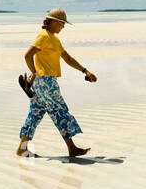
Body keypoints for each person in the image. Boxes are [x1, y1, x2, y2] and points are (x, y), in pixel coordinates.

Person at [17, 8, 98, 158]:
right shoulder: (44, 36)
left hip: (41, 83)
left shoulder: (54, 39)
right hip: (46, 82)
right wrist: (35, 72)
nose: (63, 27)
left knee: (35, 115)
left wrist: (85, 71)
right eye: (62, 23)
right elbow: (28, 55)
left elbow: (68, 59)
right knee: (60, 112)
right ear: (53, 22)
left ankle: (22, 149)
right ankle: (72, 149)